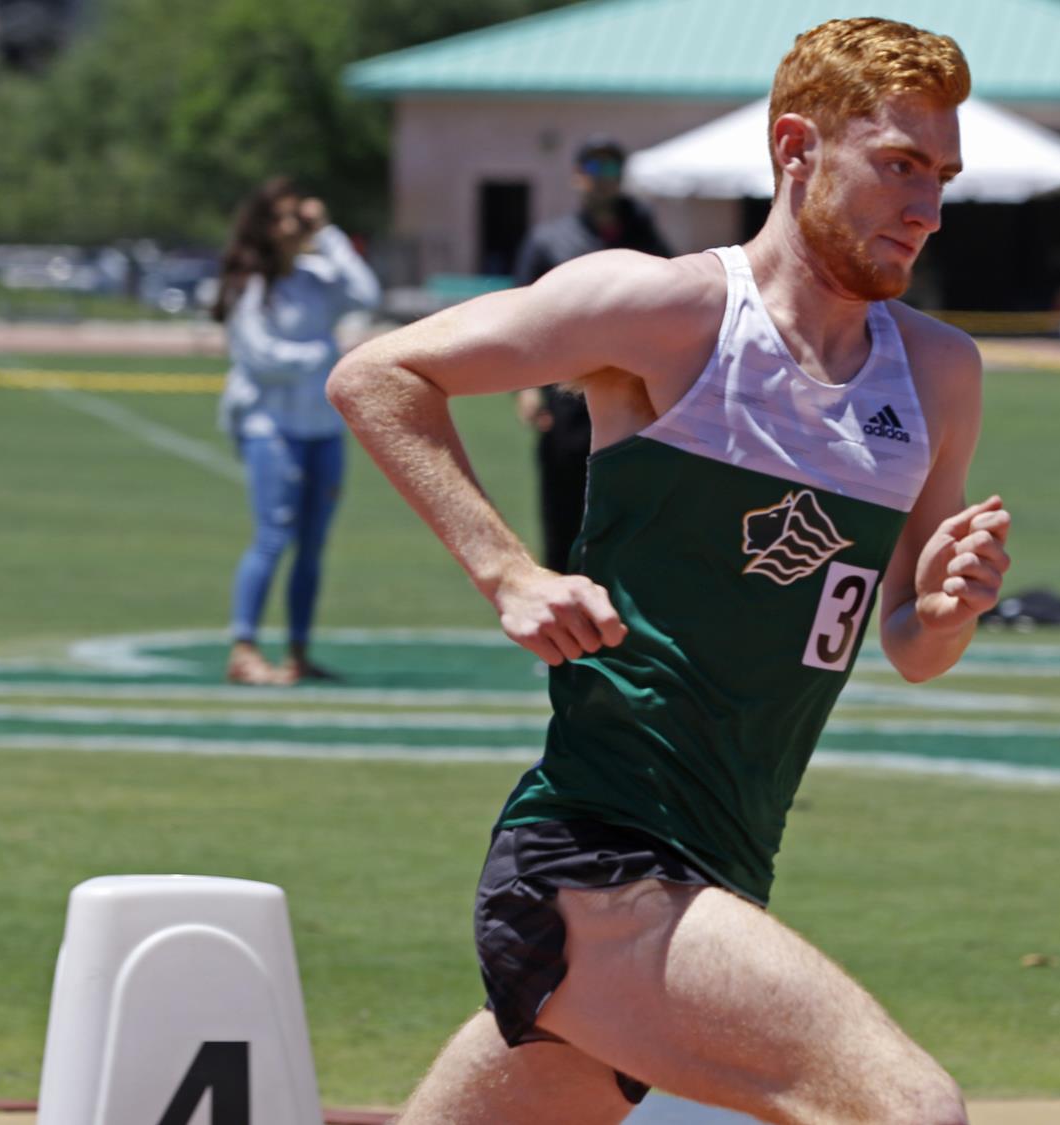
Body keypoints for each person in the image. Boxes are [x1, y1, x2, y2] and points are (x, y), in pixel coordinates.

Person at [329, 18, 1007, 1124]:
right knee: (904, 1108)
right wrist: (508, 572)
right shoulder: (665, 310)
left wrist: (944, 609)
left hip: (720, 869)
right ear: (796, 147)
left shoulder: (936, 372)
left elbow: (913, 647)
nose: (926, 207)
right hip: (595, 864)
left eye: (941, 176)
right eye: (897, 167)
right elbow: (379, 375)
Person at [213, 177, 381, 685]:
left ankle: (298, 652)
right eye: (285, 217)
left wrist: (328, 232)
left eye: (298, 217)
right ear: (264, 225)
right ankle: (244, 649)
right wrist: (324, 357)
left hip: (322, 429)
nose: (294, 227)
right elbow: (260, 358)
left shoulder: (314, 277)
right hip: (273, 429)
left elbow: (365, 292)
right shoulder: (254, 287)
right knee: (272, 537)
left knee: (312, 545)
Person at [512, 137, 674, 570]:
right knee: (563, 509)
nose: (603, 182)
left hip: (633, 393)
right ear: (577, 175)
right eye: (594, 170)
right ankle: (560, 606)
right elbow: (518, 314)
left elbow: (674, 301)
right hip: (567, 398)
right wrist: (525, 389)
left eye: (612, 172)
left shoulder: (645, 235)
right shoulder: (550, 240)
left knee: (631, 508)